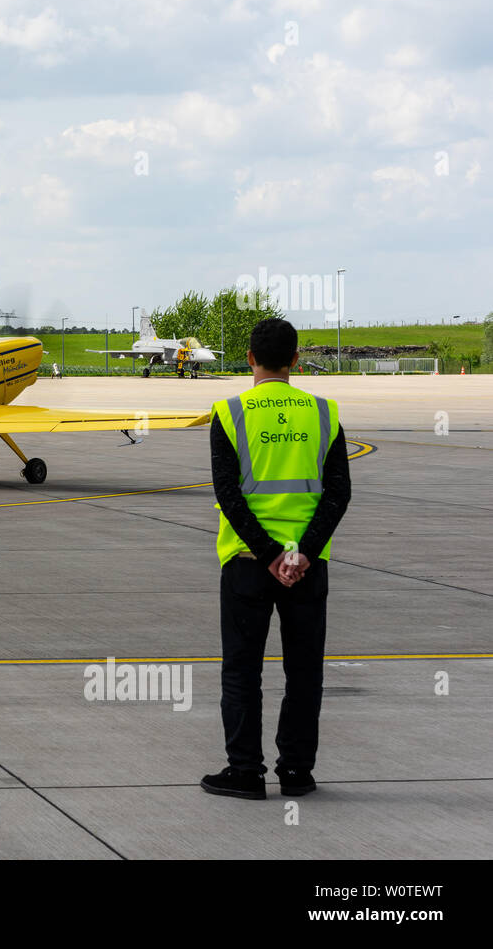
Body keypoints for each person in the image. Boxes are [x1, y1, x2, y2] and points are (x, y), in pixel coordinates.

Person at [201, 318, 351, 801]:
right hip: (307, 569)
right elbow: (338, 494)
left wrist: (268, 555)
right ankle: (296, 773)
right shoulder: (324, 413)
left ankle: (245, 772)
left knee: (242, 670)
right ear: (295, 359)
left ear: (249, 358)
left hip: (248, 564)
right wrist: (301, 553)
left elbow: (228, 494)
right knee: (304, 671)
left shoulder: (228, 413)